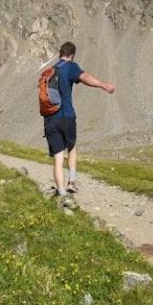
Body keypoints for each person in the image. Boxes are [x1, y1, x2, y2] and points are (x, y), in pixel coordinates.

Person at [43, 41, 116, 198]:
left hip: (50, 119)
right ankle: (72, 182)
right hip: (67, 116)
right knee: (72, 146)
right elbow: (85, 77)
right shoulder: (70, 67)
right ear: (71, 55)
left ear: (60, 53)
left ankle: (61, 194)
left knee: (57, 158)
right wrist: (104, 85)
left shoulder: (50, 71)